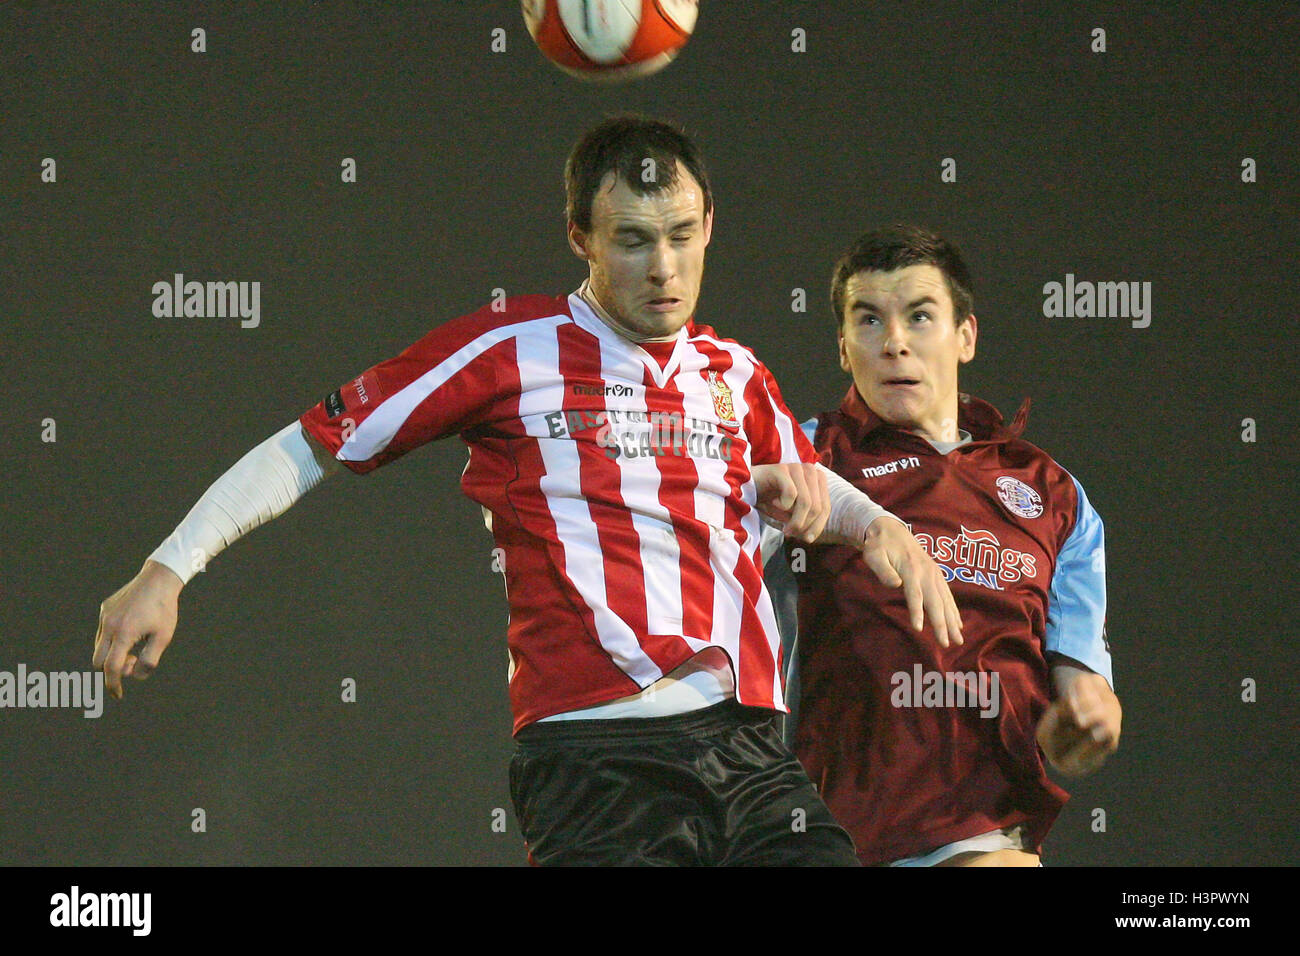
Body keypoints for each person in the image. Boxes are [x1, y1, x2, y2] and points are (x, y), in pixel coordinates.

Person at [93, 119, 961, 866]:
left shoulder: (735, 373)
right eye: (631, 239)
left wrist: (877, 526)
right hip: (599, 756)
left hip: (752, 749)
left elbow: (807, 489)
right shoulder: (512, 349)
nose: (664, 266)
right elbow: (311, 446)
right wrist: (169, 568)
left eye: (683, 233)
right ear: (579, 237)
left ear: (709, 227)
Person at [763, 224, 1121, 866]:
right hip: (825, 835)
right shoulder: (803, 459)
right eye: (868, 321)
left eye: (920, 317)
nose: (894, 343)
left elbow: (1070, 725)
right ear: (843, 347)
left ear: (966, 336)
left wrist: (1085, 721)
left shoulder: (1056, 496)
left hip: (981, 835)